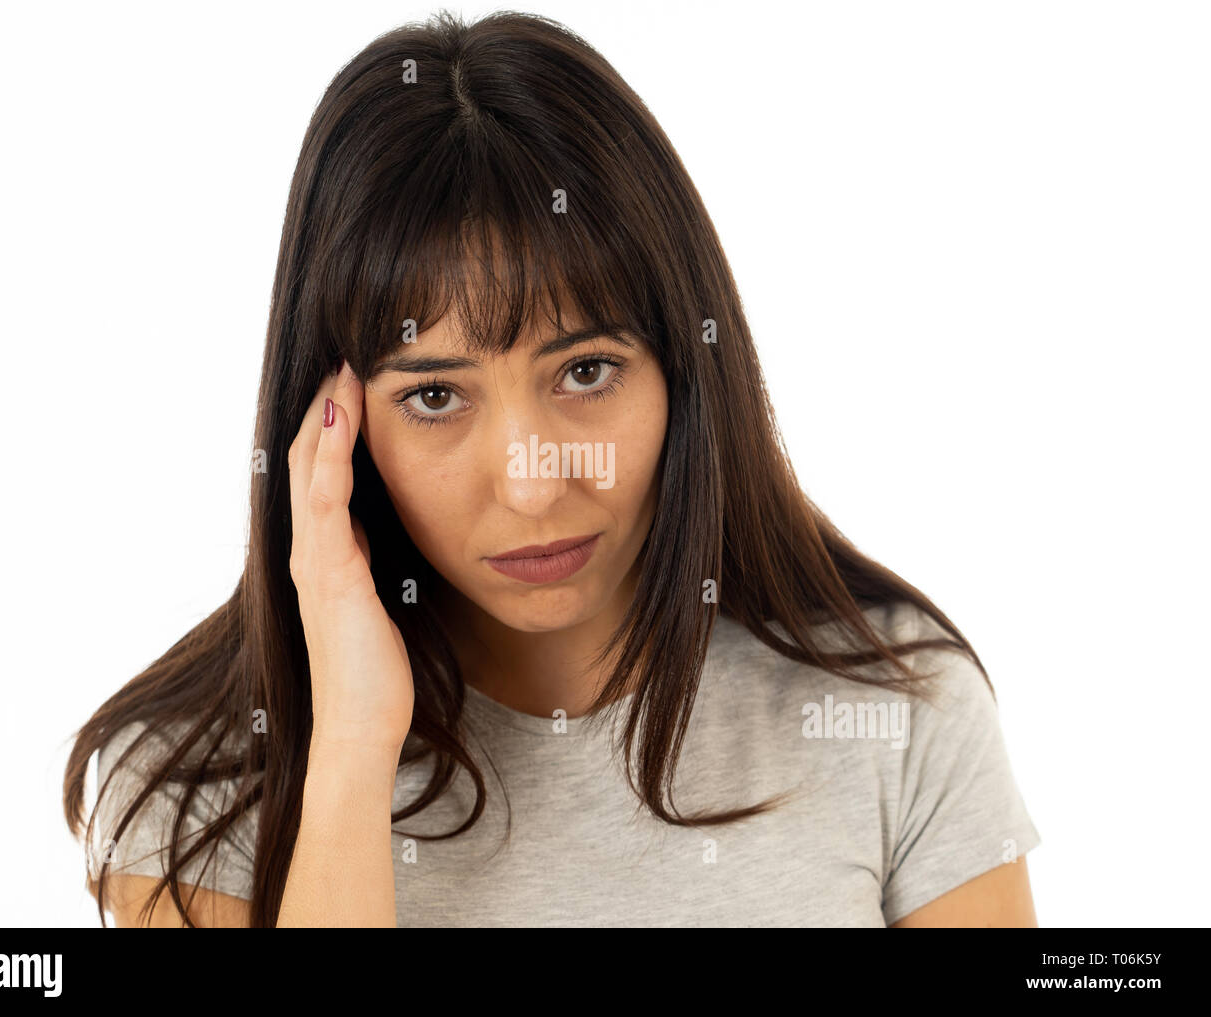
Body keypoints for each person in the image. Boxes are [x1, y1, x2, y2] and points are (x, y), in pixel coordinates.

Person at [63, 10, 1040, 928]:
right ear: (335, 421)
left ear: (684, 372)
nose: (531, 483)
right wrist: (353, 752)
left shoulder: (894, 710)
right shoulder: (191, 784)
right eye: (435, 396)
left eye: (586, 370)